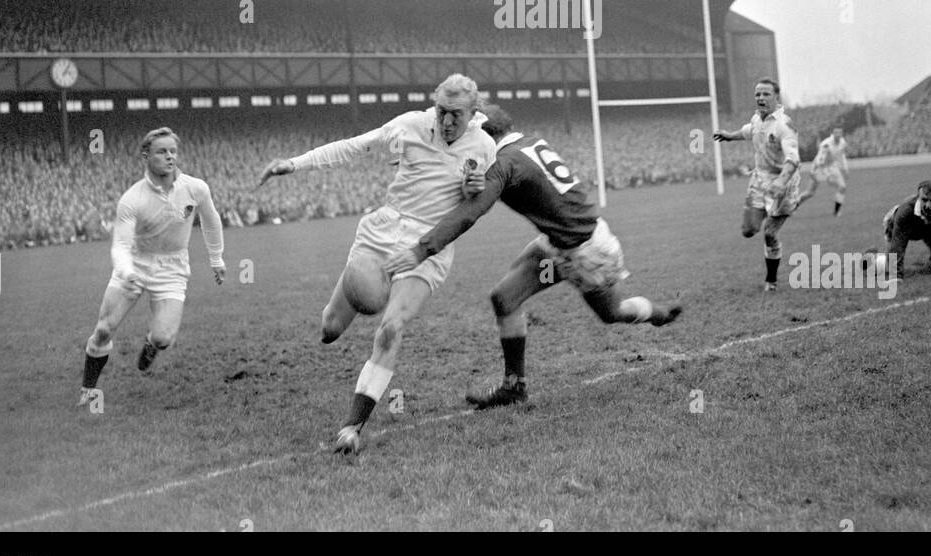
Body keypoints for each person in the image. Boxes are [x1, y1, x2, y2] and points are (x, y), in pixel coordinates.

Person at [258, 74, 495, 455]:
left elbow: (474, 206)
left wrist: (472, 190)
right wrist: (294, 164)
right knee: (330, 327)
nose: (447, 121)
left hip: (428, 246)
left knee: (391, 327)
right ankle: (362, 286)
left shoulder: (484, 146)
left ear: (473, 113)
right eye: (442, 111)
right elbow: (354, 147)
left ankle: (352, 427)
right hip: (383, 230)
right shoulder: (408, 126)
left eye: (457, 115)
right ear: (433, 105)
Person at [397, 105, 681, 409]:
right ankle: (514, 387)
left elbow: (469, 214)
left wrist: (422, 249)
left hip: (586, 252)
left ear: (485, 138)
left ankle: (658, 313)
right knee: (505, 298)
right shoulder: (526, 143)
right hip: (561, 243)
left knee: (612, 312)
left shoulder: (505, 163)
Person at [78, 128, 225, 407]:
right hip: (134, 264)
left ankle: (151, 344)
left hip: (172, 268)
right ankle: (87, 390)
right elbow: (120, 245)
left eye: (173, 151)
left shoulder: (196, 188)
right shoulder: (132, 199)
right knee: (104, 330)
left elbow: (211, 220)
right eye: (162, 151)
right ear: (146, 156)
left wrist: (216, 259)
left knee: (163, 337)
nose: (169, 156)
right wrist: (126, 271)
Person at [713, 78, 800, 291]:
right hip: (760, 179)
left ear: (776, 96)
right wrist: (729, 136)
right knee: (749, 229)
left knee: (770, 233)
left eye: (766, 94)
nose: (760, 98)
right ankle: (761, 212)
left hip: (784, 184)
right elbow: (748, 131)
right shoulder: (757, 119)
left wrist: (781, 182)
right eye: (758, 94)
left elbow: (794, 159)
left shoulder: (784, 125)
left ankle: (771, 280)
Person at [796, 126, 849, 216]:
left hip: (832, 167)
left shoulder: (842, 142)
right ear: (832, 133)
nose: (838, 135)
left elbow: (842, 156)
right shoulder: (826, 144)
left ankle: (836, 212)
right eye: (836, 133)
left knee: (842, 187)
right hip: (819, 167)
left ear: (842, 134)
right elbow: (820, 159)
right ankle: (792, 206)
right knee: (810, 192)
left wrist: (845, 168)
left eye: (840, 133)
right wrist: (816, 172)